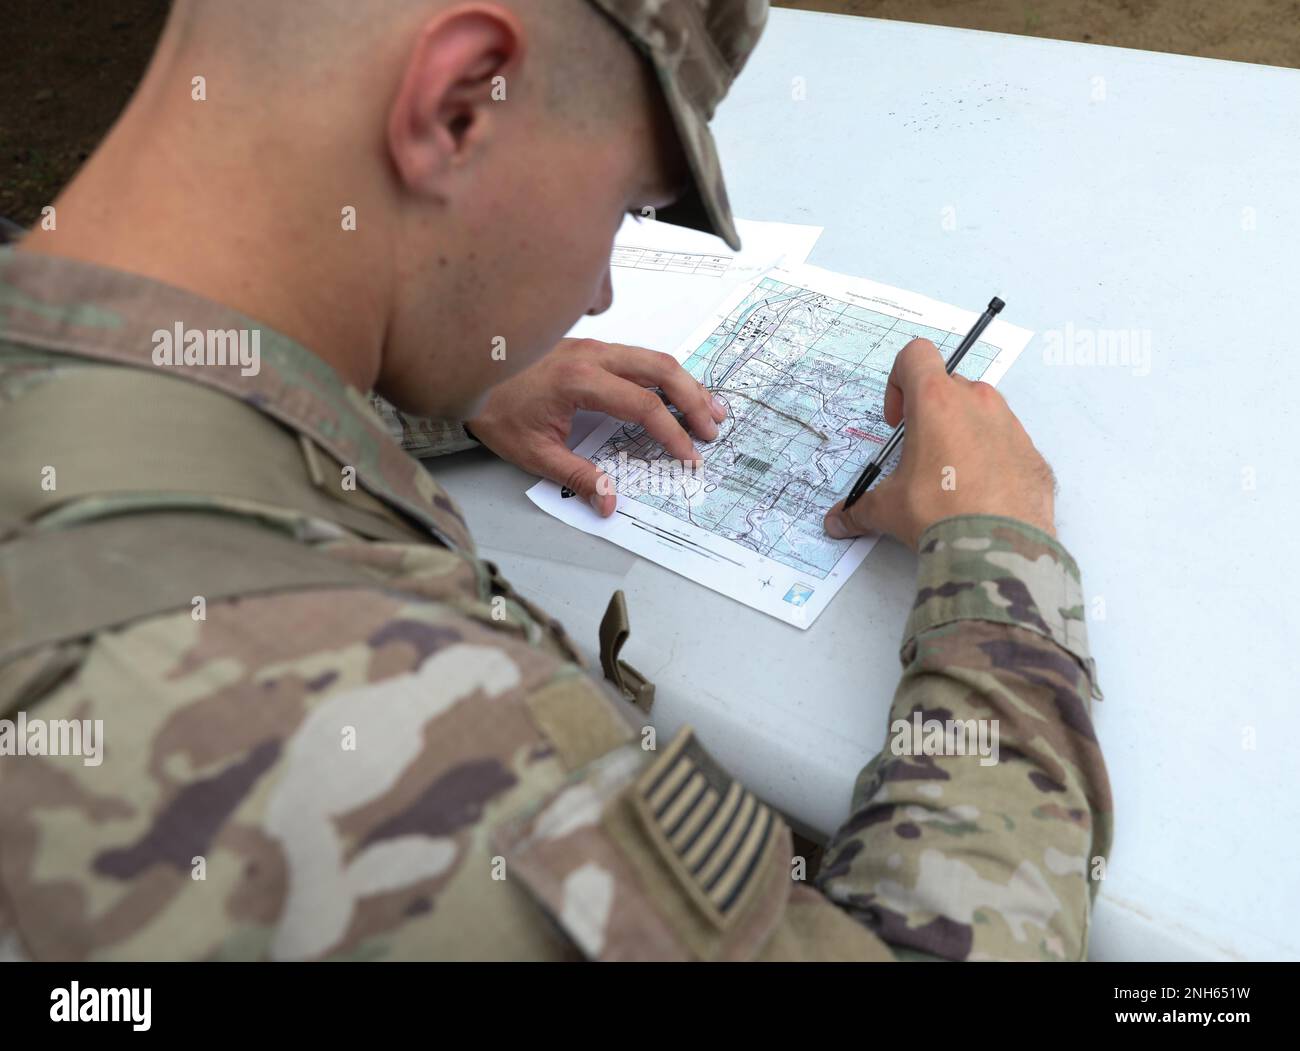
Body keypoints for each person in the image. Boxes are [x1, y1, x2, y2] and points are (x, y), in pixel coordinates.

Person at [0, 0, 1110, 961]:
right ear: (457, 108)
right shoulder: (400, 742)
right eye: (627, 207)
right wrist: (996, 563)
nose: (599, 294)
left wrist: (411, 366)